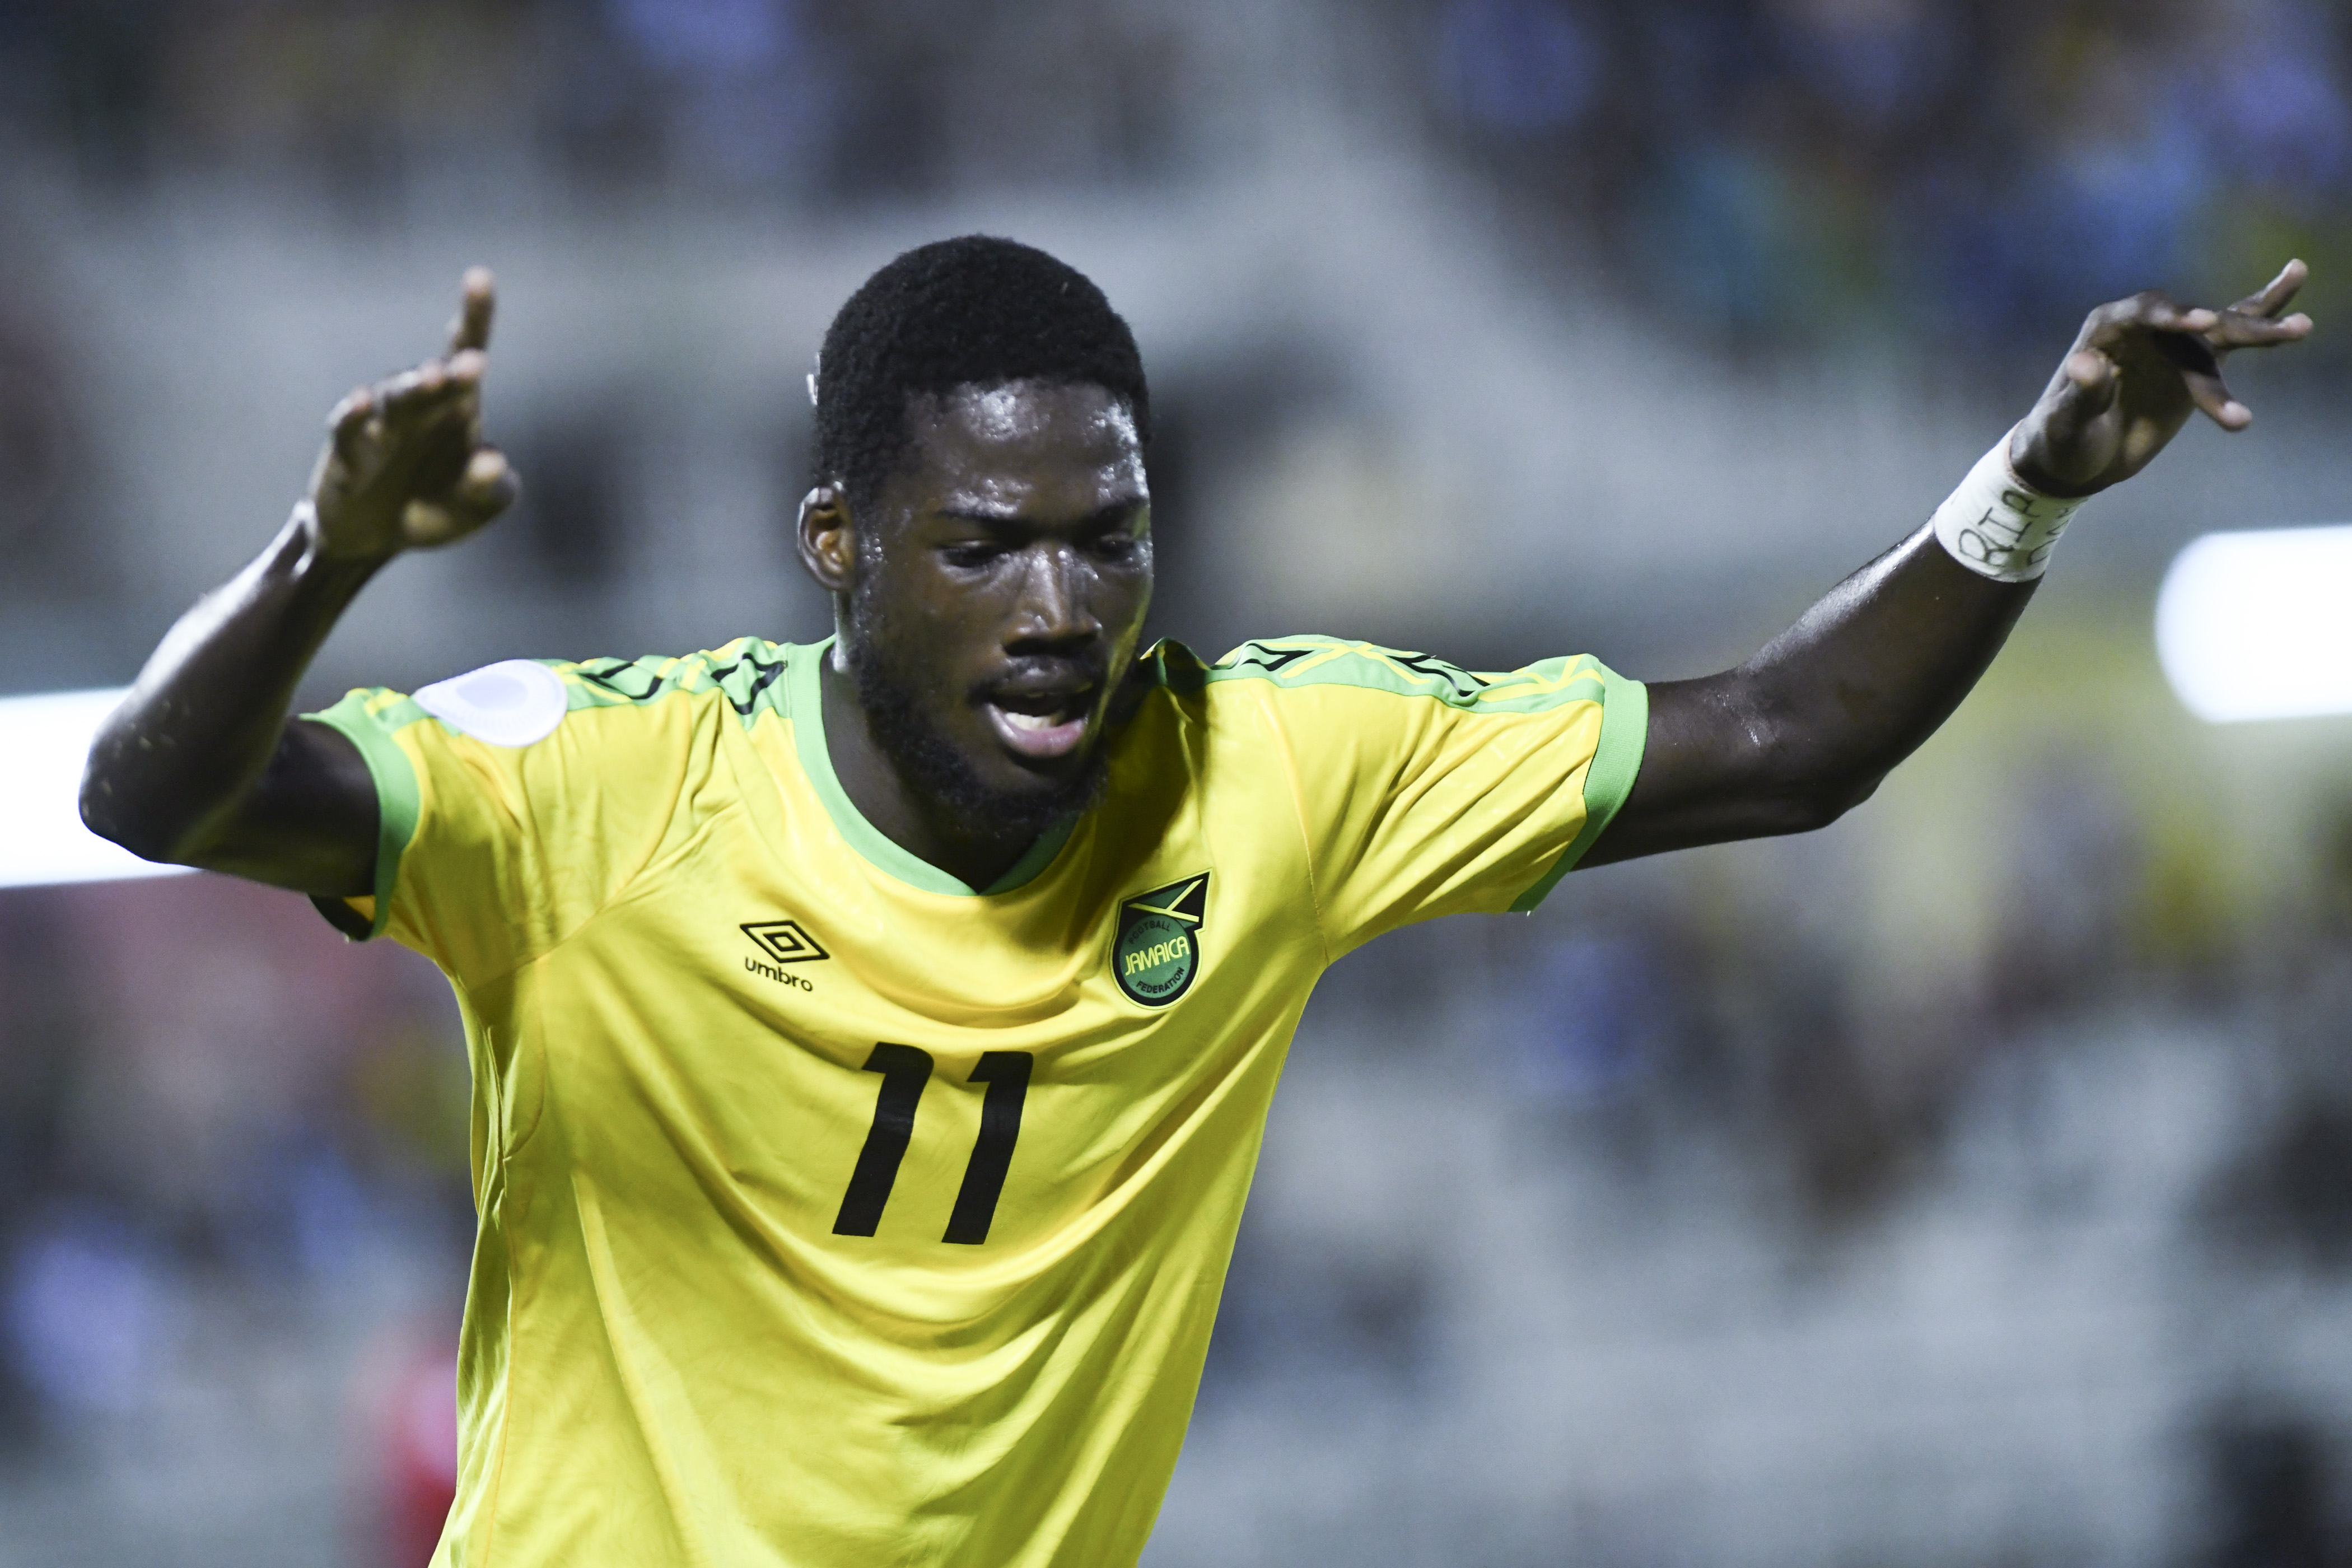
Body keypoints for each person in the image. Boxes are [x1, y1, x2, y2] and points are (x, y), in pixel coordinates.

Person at [80, 236, 2309, 1566]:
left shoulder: (1273, 761)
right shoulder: (606, 786)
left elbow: (1788, 738)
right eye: (985, 547)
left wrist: (2028, 489)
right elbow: (151, 790)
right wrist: (326, 554)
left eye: (1110, 536)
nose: (1061, 607)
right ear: (839, 546)